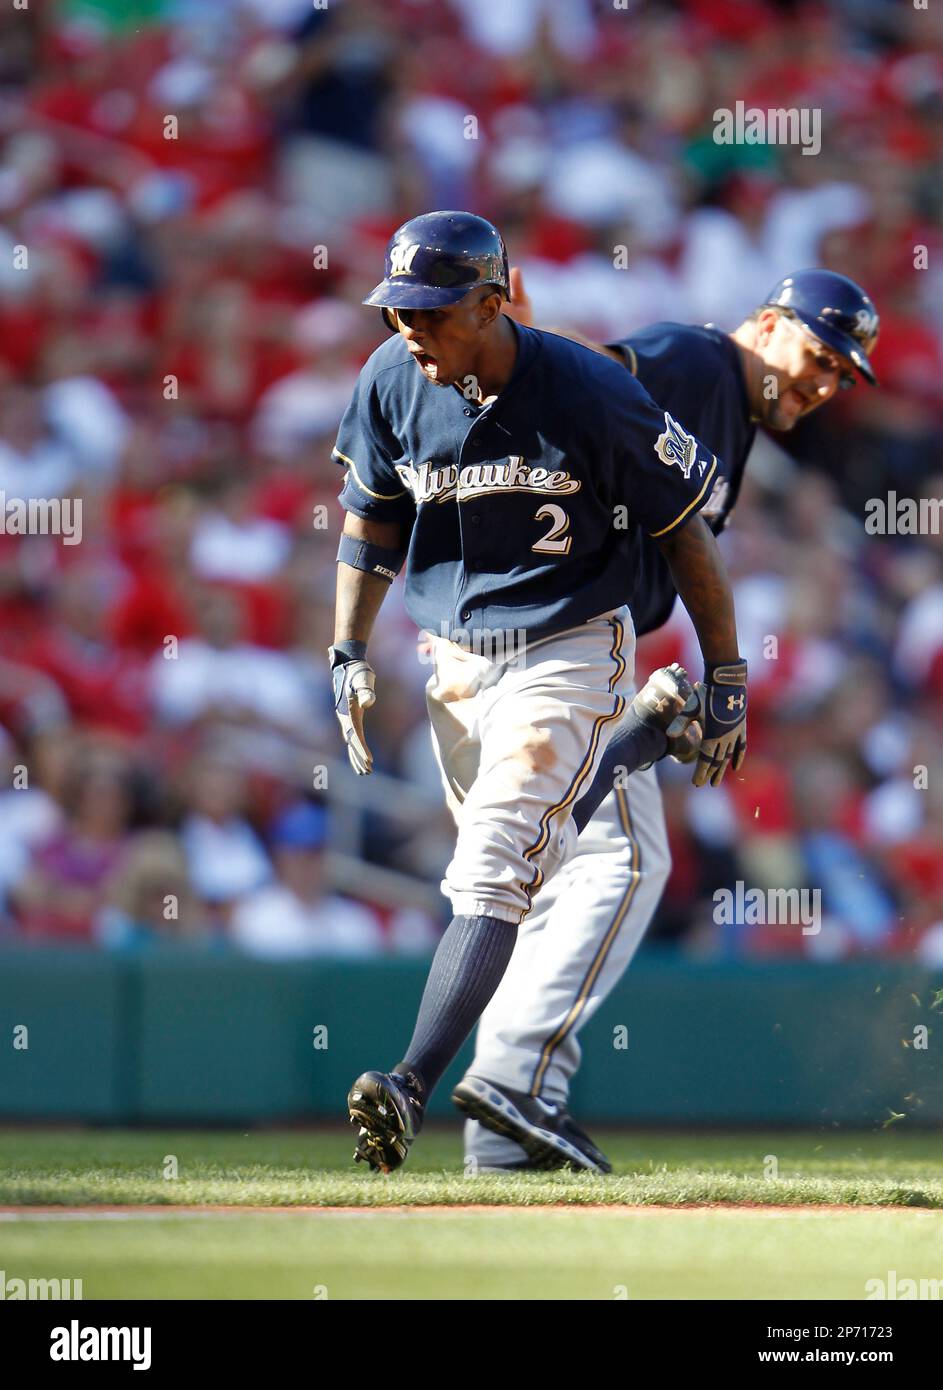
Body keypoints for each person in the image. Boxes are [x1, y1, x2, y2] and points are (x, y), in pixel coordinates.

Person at [330, 210, 747, 1172]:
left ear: (491, 302)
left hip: (569, 643)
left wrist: (725, 671)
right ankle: (507, 1145)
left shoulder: (586, 385)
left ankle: (408, 1081)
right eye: (398, 310)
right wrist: (347, 650)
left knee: (497, 855)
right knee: (531, 868)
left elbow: (686, 530)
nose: (409, 330)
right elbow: (369, 523)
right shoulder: (390, 378)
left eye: (431, 312)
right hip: (455, 663)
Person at [459, 266, 881, 1171]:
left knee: (571, 872)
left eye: (841, 375)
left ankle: (503, 1127)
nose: (824, 384)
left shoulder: (734, 411)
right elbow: (601, 371)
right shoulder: (701, 362)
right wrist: (528, 348)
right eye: (817, 355)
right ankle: (512, 1087)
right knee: (629, 856)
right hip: (552, 639)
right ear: (766, 324)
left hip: (544, 638)